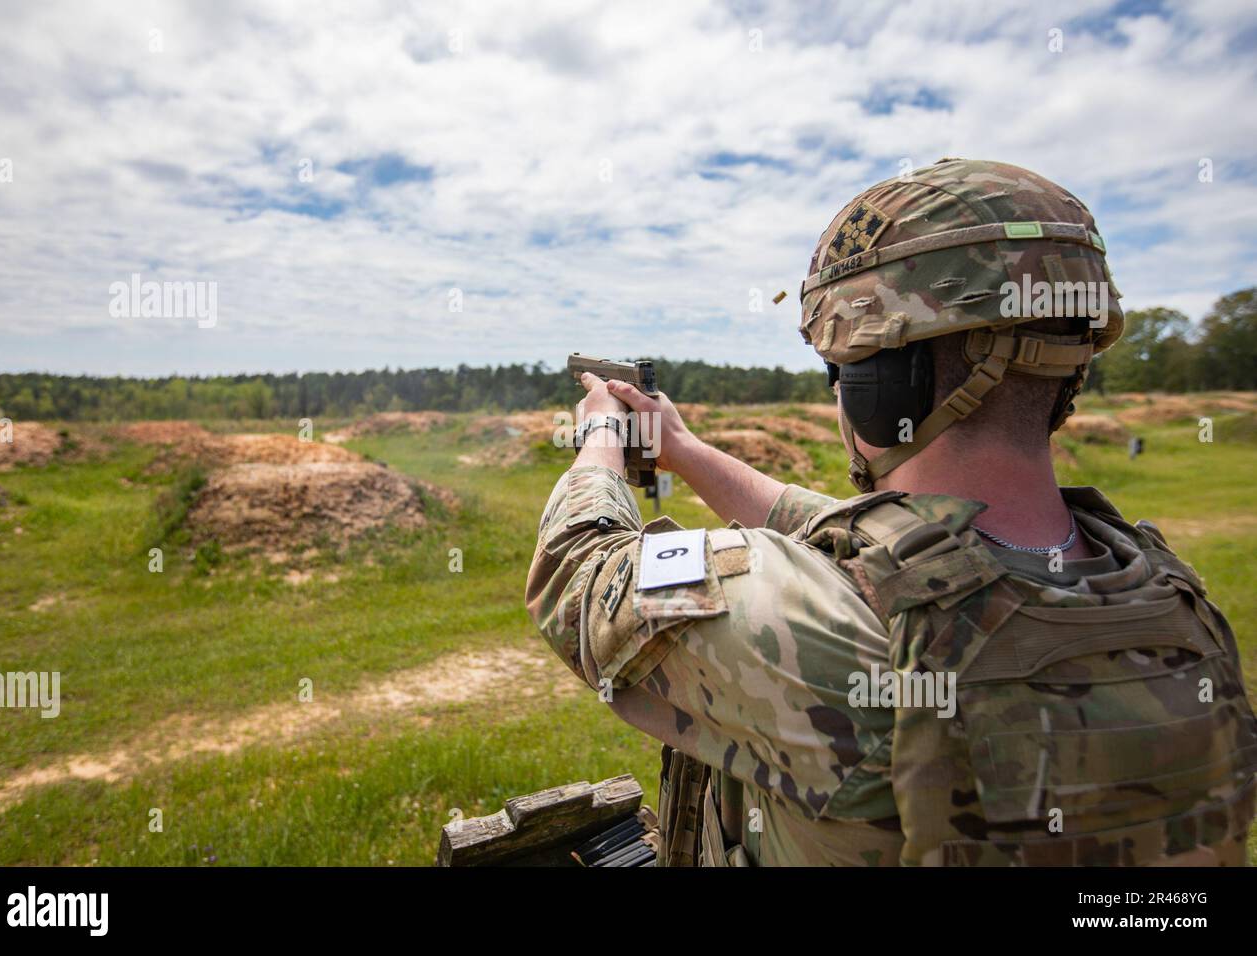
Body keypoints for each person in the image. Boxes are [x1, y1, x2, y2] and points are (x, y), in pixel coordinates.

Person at [525, 159, 1257, 866]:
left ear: (883, 381)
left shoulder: (810, 626)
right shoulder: (1173, 601)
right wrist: (682, 449)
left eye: (840, 371)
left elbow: (577, 573)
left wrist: (596, 436)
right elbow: (865, 538)